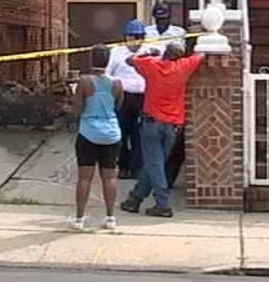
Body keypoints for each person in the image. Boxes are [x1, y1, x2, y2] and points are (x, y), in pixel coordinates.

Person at [120, 43, 203, 218]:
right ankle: (135, 199)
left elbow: (129, 60)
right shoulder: (183, 67)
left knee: (154, 164)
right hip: (173, 126)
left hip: (152, 123)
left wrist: (149, 53)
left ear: (165, 54)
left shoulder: (152, 64)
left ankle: (162, 203)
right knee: (156, 163)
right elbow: (201, 55)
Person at [68, 44, 122, 231]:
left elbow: (77, 110)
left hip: (88, 132)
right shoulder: (117, 83)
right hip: (111, 133)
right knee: (110, 177)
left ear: (91, 60)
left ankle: (79, 219)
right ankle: (110, 218)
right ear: (108, 61)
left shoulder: (84, 82)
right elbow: (118, 106)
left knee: (85, 178)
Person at [106, 19, 148, 179]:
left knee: (139, 135)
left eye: (140, 37)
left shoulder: (148, 52)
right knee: (121, 133)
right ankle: (123, 166)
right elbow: (107, 74)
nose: (137, 41)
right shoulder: (117, 52)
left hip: (142, 98)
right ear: (127, 37)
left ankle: (137, 167)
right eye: (133, 37)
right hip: (123, 97)